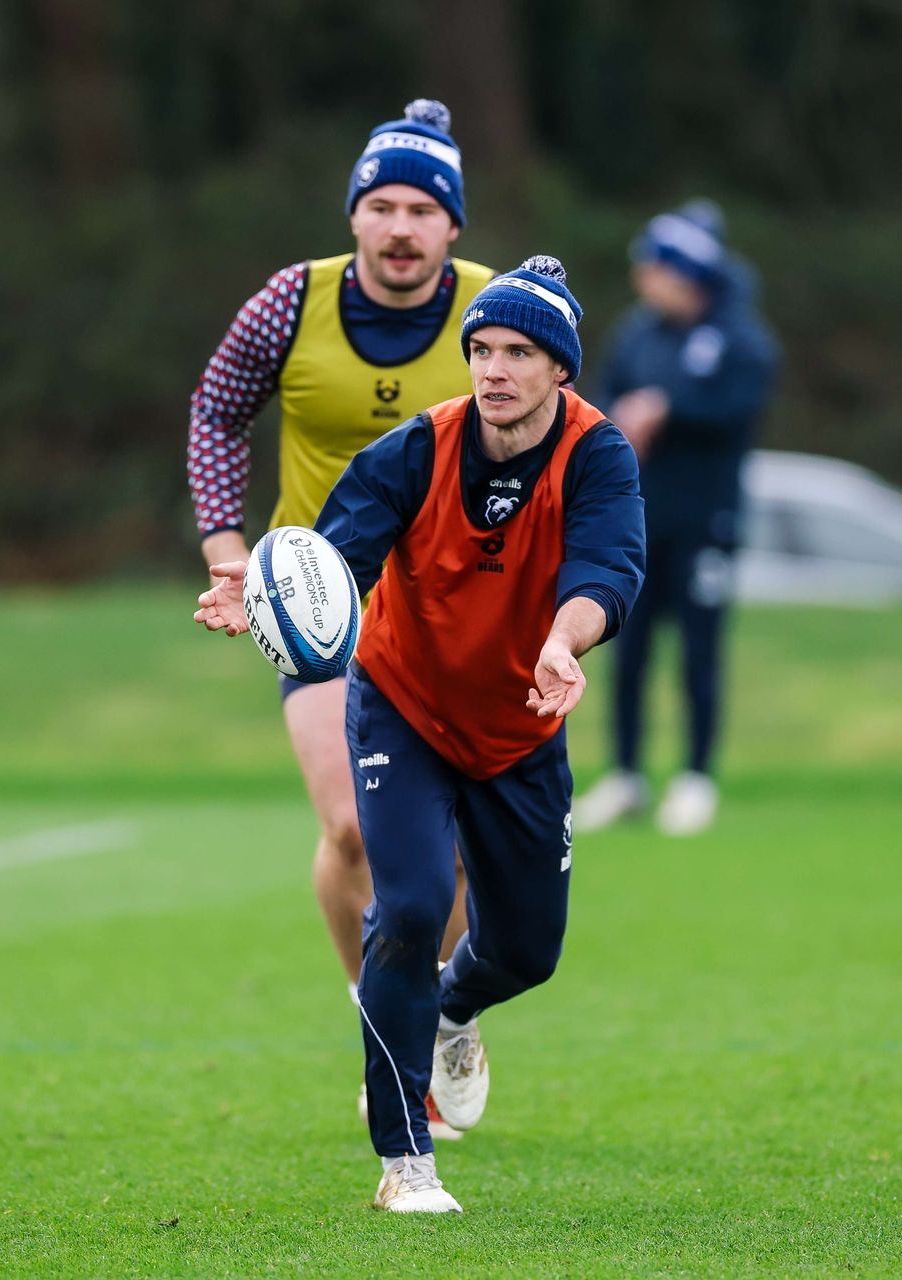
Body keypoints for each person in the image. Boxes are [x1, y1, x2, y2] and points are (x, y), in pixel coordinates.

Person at [196, 254, 645, 1211]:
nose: (493, 369)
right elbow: (335, 560)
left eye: (519, 352)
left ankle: (452, 1011)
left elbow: (609, 567)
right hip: (402, 704)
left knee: (527, 951)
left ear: (559, 370)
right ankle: (405, 1162)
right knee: (404, 906)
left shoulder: (597, 454)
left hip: (521, 725)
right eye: (481, 348)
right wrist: (268, 592)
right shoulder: (418, 447)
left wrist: (565, 644)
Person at [188, 100, 494, 1109]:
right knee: (354, 828)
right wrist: (229, 549)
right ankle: (384, 1019)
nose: (401, 227)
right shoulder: (291, 300)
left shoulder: (496, 315)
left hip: (455, 614)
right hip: (318, 599)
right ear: (354, 215)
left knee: (443, 853)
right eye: (383, 206)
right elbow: (219, 410)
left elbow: (563, 440)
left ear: (452, 226)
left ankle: (443, 1009)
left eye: (422, 209)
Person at [574, 200, 779, 837]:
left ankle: (695, 778)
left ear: (683, 270)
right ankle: (627, 775)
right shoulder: (639, 332)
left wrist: (669, 408)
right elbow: (604, 401)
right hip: (638, 522)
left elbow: (738, 405)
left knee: (698, 652)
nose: (643, 279)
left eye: (653, 266)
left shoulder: (740, 338)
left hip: (705, 522)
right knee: (627, 648)